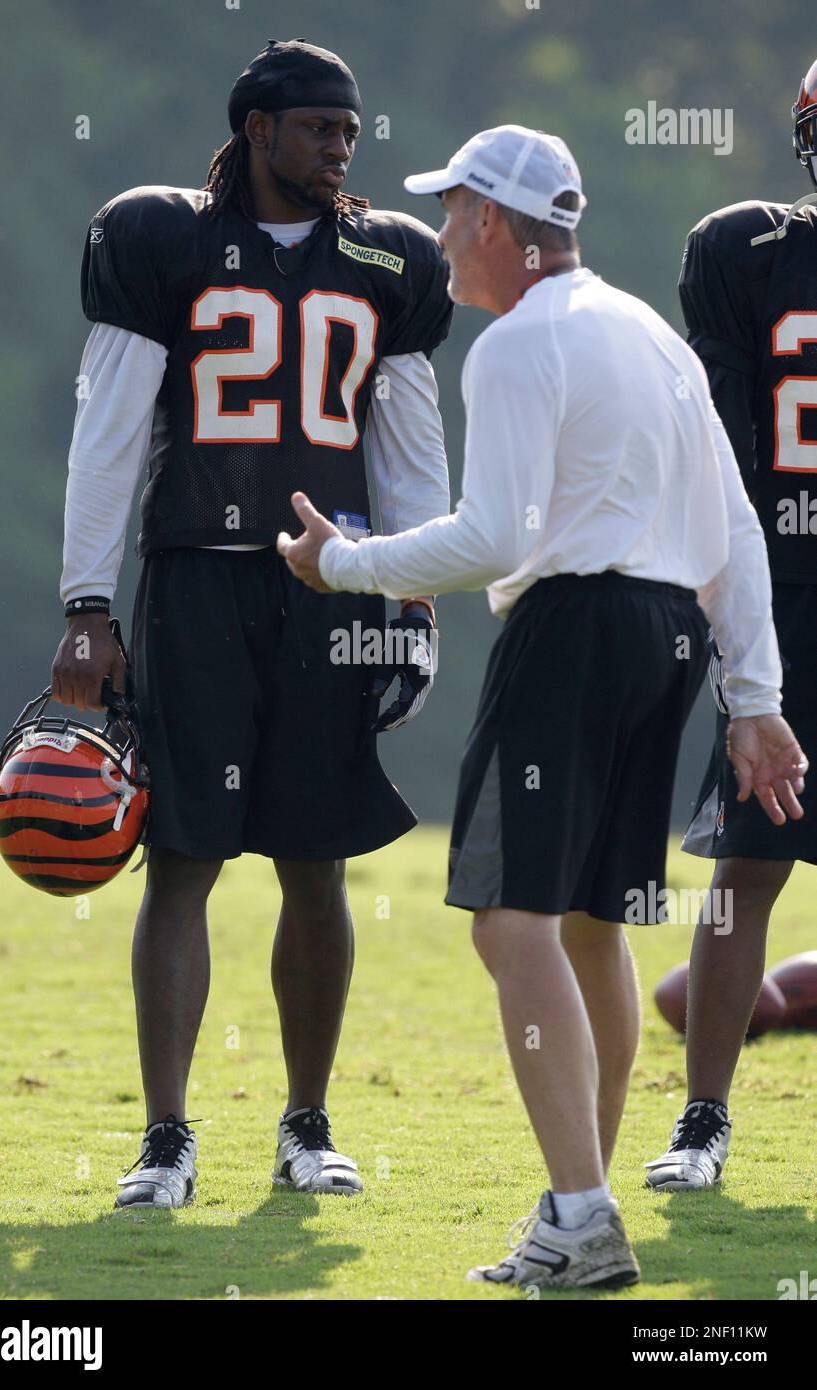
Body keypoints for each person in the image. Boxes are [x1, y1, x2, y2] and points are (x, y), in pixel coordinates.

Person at [278, 125, 808, 1290]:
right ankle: (584, 1202)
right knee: (587, 925)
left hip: (570, 633)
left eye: (455, 209)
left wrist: (344, 566)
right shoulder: (650, 335)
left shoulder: (517, 345)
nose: (443, 232)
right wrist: (749, 694)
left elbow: (495, 538)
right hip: (665, 638)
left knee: (506, 922)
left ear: (499, 228)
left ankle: (576, 1209)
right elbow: (732, 537)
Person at [51, 38, 453, 1208]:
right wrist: (87, 601)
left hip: (328, 589)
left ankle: (306, 1121)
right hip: (195, 580)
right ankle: (167, 1135)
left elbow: (409, 448)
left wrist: (413, 598)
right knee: (178, 862)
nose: (338, 150)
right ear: (258, 129)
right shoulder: (161, 238)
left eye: (350, 131)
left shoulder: (388, 257)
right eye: (318, 129)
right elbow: (110, 428)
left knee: (314, 865)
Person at [644, 60, 817, 1192]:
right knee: (746, 864)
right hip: (783, 597)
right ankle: (701, 1121)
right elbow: (716, 453)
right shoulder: (747, 252)